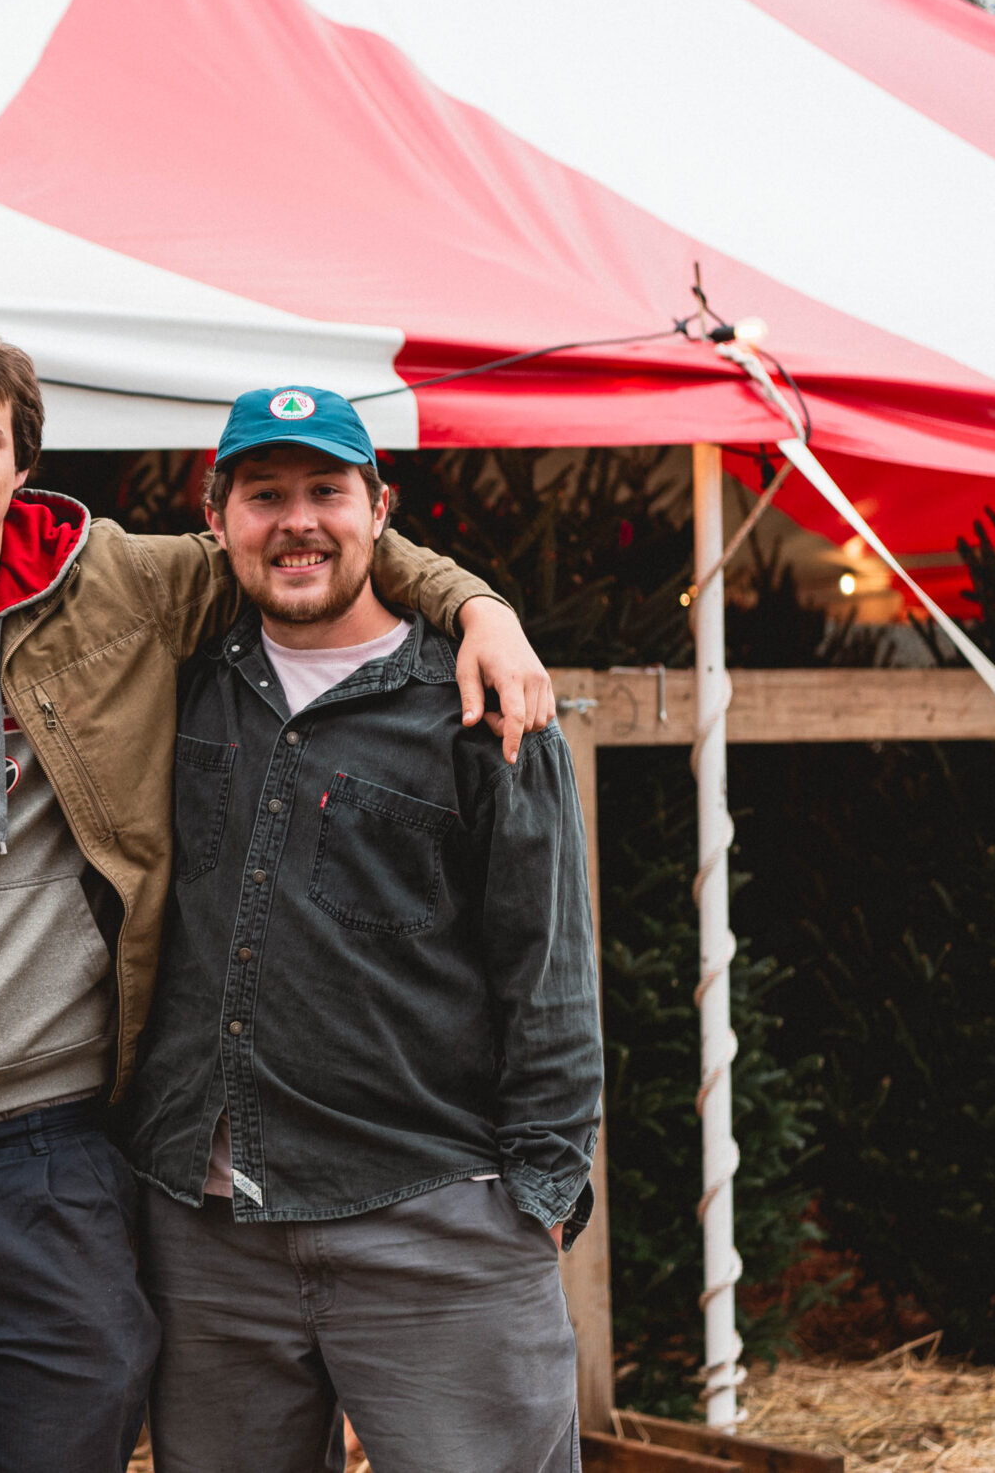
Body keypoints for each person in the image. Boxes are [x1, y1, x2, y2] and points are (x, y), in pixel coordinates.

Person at [0, 328, 555, 1473]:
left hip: (50, 1153)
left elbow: (306, 544)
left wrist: (480, 606)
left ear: (20, 465)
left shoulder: (116, 591)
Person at [121, 385, 601, 1473]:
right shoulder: (173, 684)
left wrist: (536, 1198)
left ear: (379, 507)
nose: (297, 520)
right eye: (264, 494)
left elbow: (550, 973)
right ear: (216, 516)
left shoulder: (480, 707)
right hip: (205, 1235)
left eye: (326, 490)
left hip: (431, 1214)